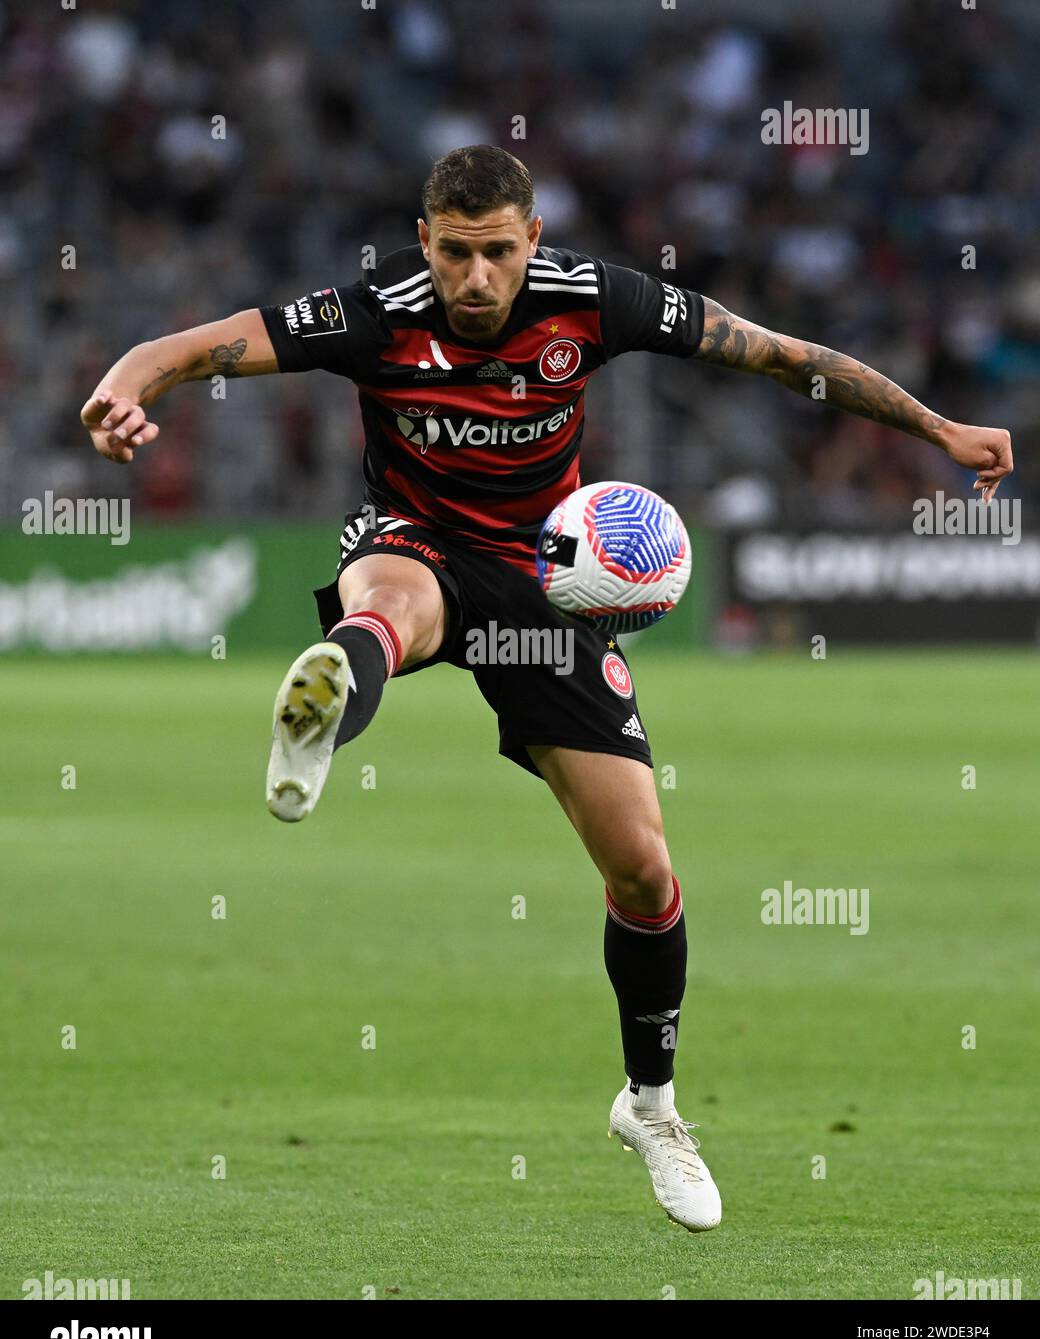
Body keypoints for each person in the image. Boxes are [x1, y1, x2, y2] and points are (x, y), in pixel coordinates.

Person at [80, 145, 1014, 1233]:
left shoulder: (595, 300)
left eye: (496, 254)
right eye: (454, 255)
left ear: (531, 242)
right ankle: (333, 692)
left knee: (642, 865)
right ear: (423, 243)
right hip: (414, 539)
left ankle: (650, 1106)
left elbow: (774, 355)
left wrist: (937, 428)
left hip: (547, 585)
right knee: (390, 598)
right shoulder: (372, 313)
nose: (474, 280)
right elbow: (184, 349)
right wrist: (121, 388)